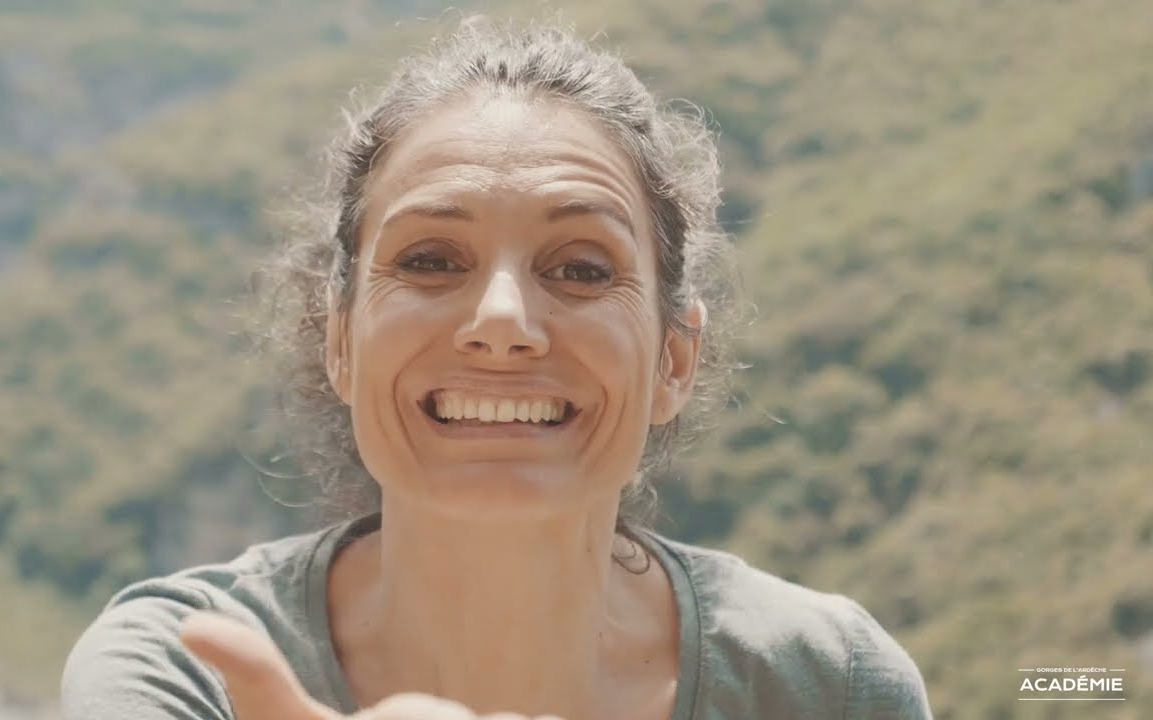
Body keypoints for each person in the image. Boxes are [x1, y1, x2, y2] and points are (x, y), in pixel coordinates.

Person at [60, 16, 933, 720]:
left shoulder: (830, 687)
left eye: (582, 269)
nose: (503, 324)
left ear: (674, 359)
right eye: (432, 261)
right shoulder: (184, 672)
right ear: (339, 341)